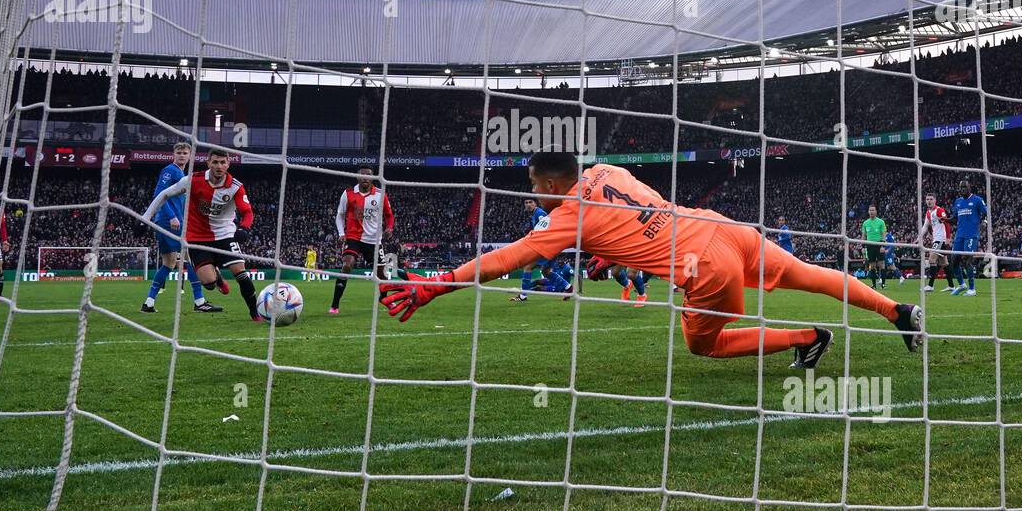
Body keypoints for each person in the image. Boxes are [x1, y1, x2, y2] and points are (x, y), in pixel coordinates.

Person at [381, 154, 921, 369]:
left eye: (533, 188)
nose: (533, 196)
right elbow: (632, 219)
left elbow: (510, 257)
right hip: (722, 227)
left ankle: (807, 338)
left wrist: (438, 284)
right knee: (813, 275)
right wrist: (601, 252)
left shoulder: (567, 213)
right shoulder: (606, 169)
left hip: (702, 266)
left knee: (703, 344)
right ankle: (897, 309)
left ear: (550, 184)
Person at [142, 148, 262, 321]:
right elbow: (164, 194)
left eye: (222, 162)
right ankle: (217, 278)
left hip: (225, 235)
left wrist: (244, 228)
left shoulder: (236, 187)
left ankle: (255, 313)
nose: (219, 166)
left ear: (228, 164)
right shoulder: (193, 180)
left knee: (240, 272)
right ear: (208, 163)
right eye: (215, 162)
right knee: (209, 284)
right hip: (197, 238)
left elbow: (248, 213)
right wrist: (144, 219)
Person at [141, 141, 220, 314]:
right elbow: (159, 195)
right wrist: (172, 217)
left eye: (185, 153)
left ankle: (148, 303)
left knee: (168, 263)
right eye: (179, 152)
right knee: (191, 258)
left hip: (165, 223)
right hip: (169, 222)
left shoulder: (183, 175)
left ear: (190, 155)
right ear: (174, 154)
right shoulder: (170, 171)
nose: (182, 155)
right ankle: (199, 301)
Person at [330, 165, 394, 314]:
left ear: (373, 178)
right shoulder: (348, 193)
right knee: (347, 265)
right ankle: (335, 305)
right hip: (354, 237)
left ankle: (384, 299)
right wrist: (341, 233)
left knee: (381, 274)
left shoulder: (380, 194)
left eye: (369, 175)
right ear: (357, 177)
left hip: (374, 240)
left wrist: (389, 228)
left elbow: (389, 215)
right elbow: (340, 214)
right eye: (363, 175)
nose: (366, 177)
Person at [949, 179, 988, 296]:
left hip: (971, 235)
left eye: (964, 187)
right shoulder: (958, 202)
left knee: (967, 259)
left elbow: (987, 213)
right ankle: (961, 284)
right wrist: (945, 220)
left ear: (969, 188)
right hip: (959, 235)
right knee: (954, 261)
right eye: (961, 188)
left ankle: (972, 288)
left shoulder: (977, 200)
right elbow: (955, 219)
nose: (962, 190)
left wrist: (984, 223)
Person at [920, 193, 953, 293]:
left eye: (931, 199)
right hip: (936, 239)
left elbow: (947, 223)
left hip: (941, 239)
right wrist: (919, 237)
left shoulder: (939, 210)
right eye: (927, 199)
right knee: (944, 262)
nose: (929, 201)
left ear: (935, 200)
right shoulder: (928, 213)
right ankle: (951, 286)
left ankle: (930, 286)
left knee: (931, 259)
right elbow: (925, 226)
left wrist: (948, 238)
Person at [862, 204, 887, 289]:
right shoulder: (865, 223)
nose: (871, 212)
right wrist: (863, 247)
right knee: (871, 265)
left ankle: (883, 284)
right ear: (868, 212)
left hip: (879, 244)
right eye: (870, 210)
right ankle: (873, 285)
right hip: (870, 245)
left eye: (873, 210)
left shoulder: (881, 222)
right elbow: (864, 236)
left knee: (881, 264)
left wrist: (883, 245)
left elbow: (883, 234)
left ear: (876, 211)